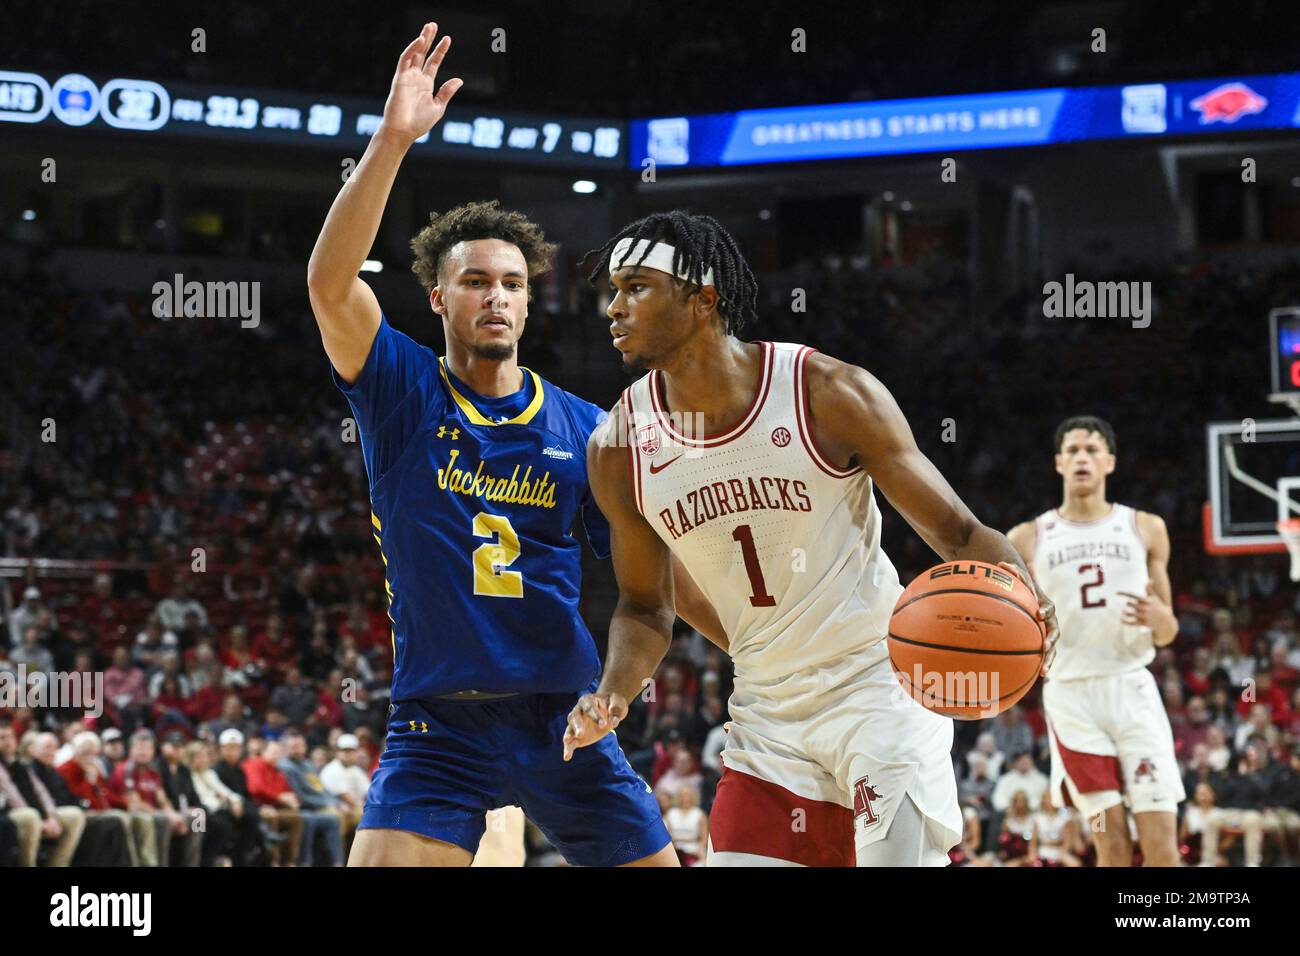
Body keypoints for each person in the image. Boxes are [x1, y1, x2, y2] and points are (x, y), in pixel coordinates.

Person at [306, 23, 717, 868]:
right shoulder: (401, 391)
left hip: (561, 714)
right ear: (438, 298)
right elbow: (329, 284)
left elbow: (653, 586)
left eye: (513, 284)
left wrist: (744, 651)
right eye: (475, 282)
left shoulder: (589, 428)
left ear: (530, 304)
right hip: (439, 723)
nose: (496, 297)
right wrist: (392, 141)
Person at [565, 210, 1057, 866]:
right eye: (613, 290)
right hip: (765, 715)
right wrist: (614, 692)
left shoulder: (828, 393)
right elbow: (646, 605)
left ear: (703, 299)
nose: (614, 307)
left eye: (636, 287)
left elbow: (958, 531)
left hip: (879, 688)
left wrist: (1024, 593)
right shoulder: (618, 445)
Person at [1008, 416, 1184, 866]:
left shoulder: (1145, 527)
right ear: (1058, 463)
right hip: (1071, 698)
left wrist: (1161, 617)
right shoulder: (1027, 538)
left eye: (1092, 449)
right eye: (1072, 450)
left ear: (1109, 462)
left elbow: (1167, 632)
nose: (1082, 458)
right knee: (1110, 844)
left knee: (1162, 846)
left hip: (1132, 689)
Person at [0, 723, 85, 866]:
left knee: (74, 815)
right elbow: (12, 796)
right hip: (13, 813)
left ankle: (57, 864)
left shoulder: (21, 764)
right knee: (30, 816)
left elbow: (42, 792)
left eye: (11, 737)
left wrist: (51, 816)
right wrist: (42, 820)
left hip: (37, 813)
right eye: (2, 738)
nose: (8, 742)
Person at [663, 785, 708, 866]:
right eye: (682, 795)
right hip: (675, 849)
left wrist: (700, 849)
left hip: (693, 848)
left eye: (687, 795)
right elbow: (665, 835)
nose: (685, 798)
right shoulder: (671, 814)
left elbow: (704, 838)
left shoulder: (699, 814)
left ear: (693, 797)